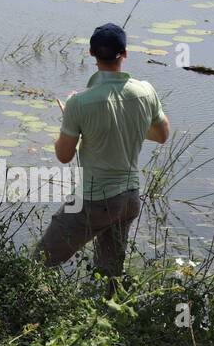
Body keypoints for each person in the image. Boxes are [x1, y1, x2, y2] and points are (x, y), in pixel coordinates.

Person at [37, 23, 169, 283]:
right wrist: (123, 124)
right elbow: (162, 135)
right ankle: (112, 316)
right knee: (110, 275)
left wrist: (71, 123)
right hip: (130, 199)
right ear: (125, 53)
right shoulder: (146, 91)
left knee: (39, 263)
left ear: (91, 53)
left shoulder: (79, 103)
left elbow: (64, 155)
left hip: (95, 202)